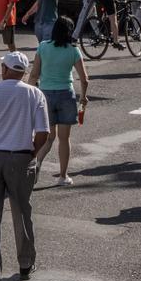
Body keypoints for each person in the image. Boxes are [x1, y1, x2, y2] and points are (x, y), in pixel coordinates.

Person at [0, 51, 49, 281]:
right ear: (24, 72)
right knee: (22, 212)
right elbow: (43, 132)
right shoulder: (34, 93)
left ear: (5, 69)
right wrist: (32, 153)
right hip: (21, 157)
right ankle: (25, 263)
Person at [29, 17, 88, 186]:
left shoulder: (43, 47)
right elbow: (84, 79)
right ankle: (63, 176)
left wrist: (29, 94)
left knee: (48, 137)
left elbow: (34, 75)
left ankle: (36, 162)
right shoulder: (73, 50)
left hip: (45, 95)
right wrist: (83, 97)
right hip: (65, 95)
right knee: (64, 138)